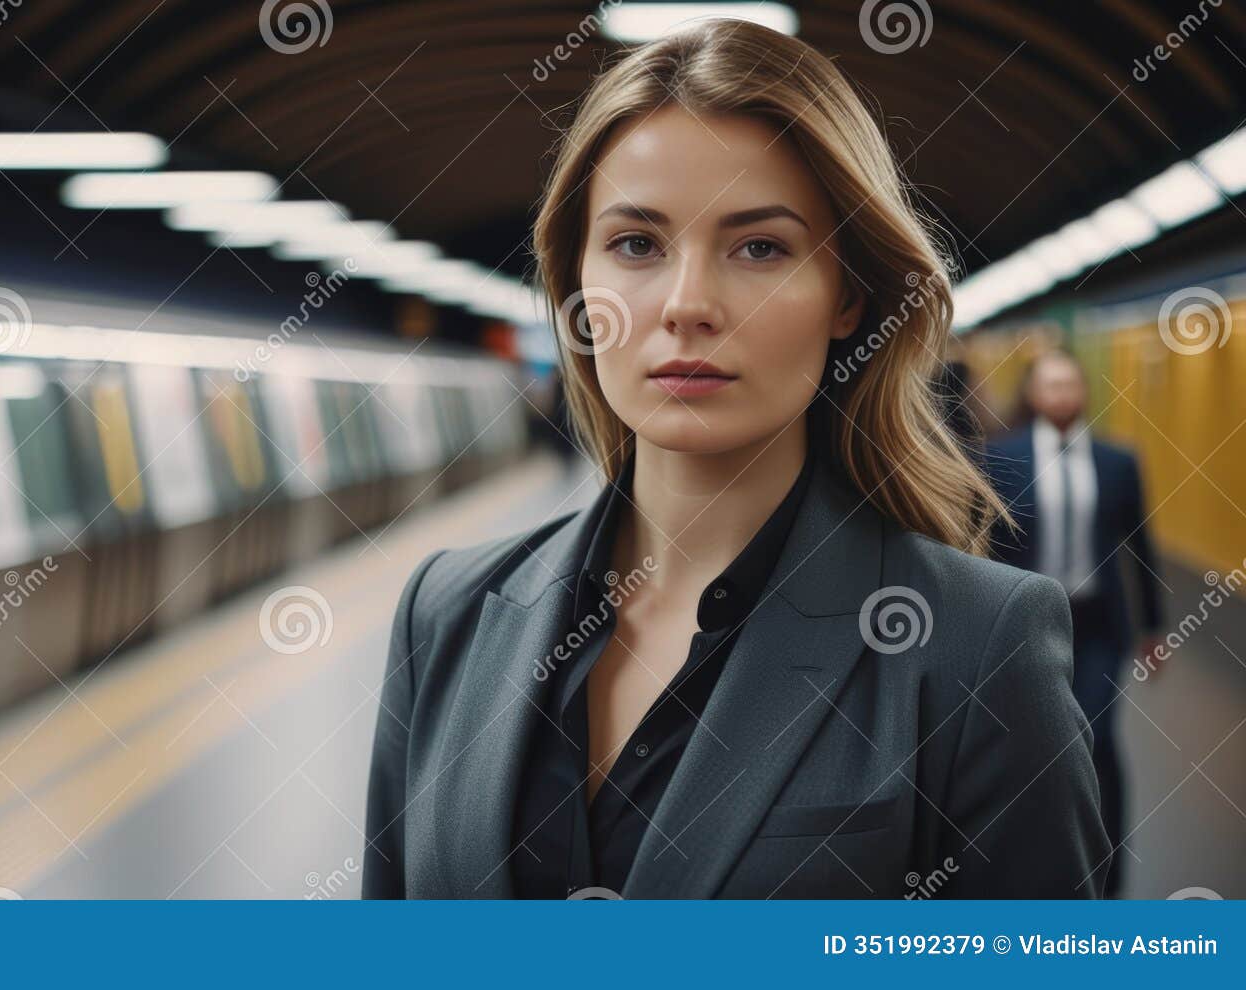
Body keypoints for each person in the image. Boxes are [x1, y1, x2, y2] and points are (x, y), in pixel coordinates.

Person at [363, 19, 1109, 899]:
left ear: (848, 297)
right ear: (577, 291)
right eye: (637, 245)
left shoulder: (978, 648)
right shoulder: (445, 616)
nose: (688, 305)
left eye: (761, 247)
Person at [984, 348, 1165, 898]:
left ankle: (1107, 876)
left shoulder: (1117, 461)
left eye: (1070, 384)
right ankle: (1037, 870)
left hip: (1096, 627)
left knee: (1097, 736)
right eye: (1050, 385)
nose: (1061, 394)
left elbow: (1141, 547)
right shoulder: (1000, 458)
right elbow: (983, 545)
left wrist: (1154, 629)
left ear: (1083, 392)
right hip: (1025, 627)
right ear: (1033, 393)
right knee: (1029, 742)